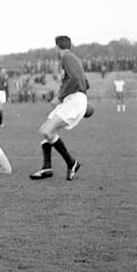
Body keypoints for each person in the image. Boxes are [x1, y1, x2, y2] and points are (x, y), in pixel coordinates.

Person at [30, 36, 90, 181]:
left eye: (55, 47)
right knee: (44, 130)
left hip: (73, 101)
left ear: (58, 47)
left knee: (47, 131)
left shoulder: (67, 57)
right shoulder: (72, 58)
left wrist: (60, 96)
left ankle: (71, 163)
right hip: (72, 100)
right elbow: (85, 83)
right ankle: (47, 167)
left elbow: (75, 79)